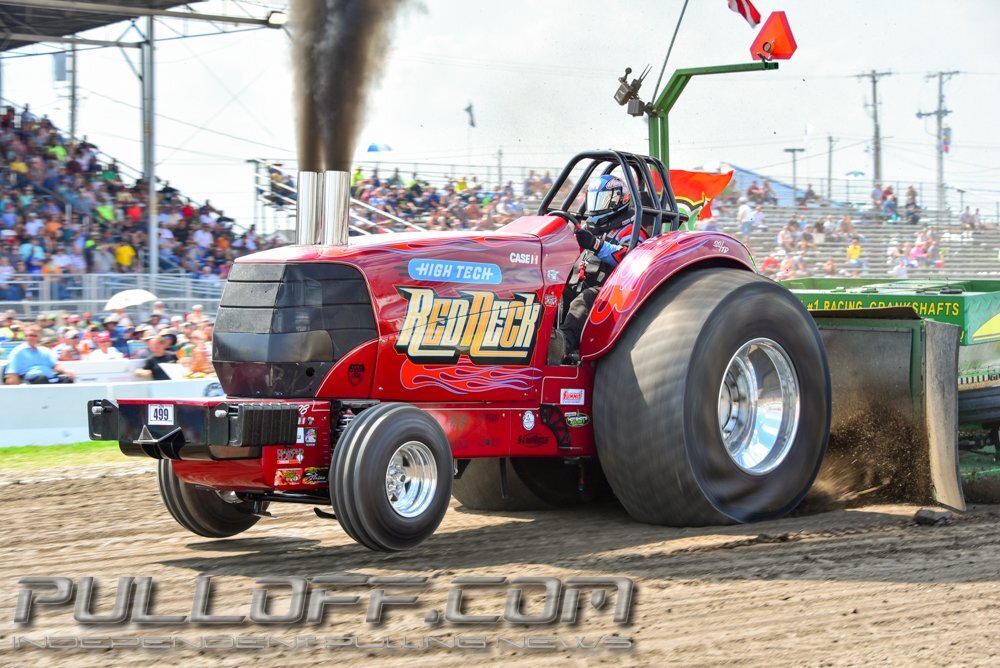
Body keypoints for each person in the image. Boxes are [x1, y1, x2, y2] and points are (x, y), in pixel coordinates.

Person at [548, 174, 644, 364]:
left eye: (602, 199)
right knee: (554, 295)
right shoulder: (591, 227)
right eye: (594, 199)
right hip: (582, 282)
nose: (596, 205)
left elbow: (629, 257)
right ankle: (545, 340)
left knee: (583, 301)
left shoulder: (632, 230)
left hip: (612, 290)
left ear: (617, 200)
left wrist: (596, 244)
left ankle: (563, 345)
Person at [4, 325, 75, 384]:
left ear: (39, 337)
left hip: (50, 377)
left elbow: (55, 365)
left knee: (68, 379)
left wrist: (66, 371)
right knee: (41, 378)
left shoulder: (44, 350)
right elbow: (11, 373)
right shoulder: (18, 352)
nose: (30, 338)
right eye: (28, 335)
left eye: (33, 335)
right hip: (31, 380)